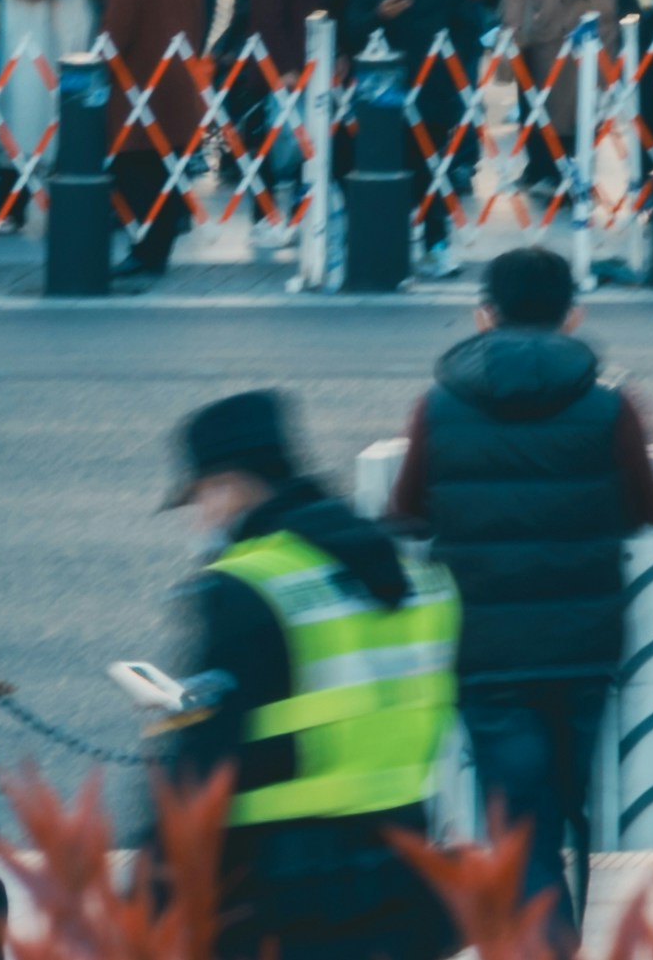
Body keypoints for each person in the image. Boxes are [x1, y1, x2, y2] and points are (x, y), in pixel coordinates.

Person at [384, 245, 653, 949]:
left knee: (517, 820)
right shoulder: (612, 405)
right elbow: (647, 507)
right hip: (586, 641)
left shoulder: (438, 406)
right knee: (572, 806)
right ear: (573, 314)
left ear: (484, 313)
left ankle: (546, 938)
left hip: (485, 648)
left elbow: (408, 512)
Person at [153, 389, 464, 960]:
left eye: (200, 498)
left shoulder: (246, 586)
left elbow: (200, 765)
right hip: (405, 880)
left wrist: (153, 900)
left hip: (280, 900)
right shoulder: (418, 576)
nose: (203, 518)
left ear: (229, 484)